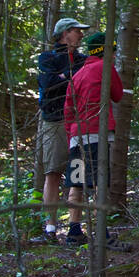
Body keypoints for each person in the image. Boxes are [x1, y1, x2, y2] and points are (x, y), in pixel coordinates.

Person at [63, 31, 123, 246]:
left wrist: (71, 134)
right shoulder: (105, 69)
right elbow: (118, 94)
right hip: (97, 135)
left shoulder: (77, 74)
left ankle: (74, 232)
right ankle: (102, 234)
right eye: (112, 50)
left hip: (76, 138)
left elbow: (68, 108)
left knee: (76, 183)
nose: (115, 55)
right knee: (99, 183)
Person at [34, 17, 89, 244]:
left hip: (77, 121)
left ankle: (74, 229)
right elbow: (48, 85)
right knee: (53, 172)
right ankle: (50, 229)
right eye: (77, 31)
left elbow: (82, 83)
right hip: (54, 120)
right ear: (65, 33)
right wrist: (67, 76)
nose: (81, 35)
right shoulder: (47, 58)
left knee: (78, 172)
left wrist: (62, 77)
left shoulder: (84, 60)